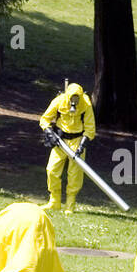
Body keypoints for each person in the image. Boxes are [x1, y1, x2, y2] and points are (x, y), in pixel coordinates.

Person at [38, 81, 96, 214]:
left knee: (75, 174)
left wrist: (82, 145)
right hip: (60, 141)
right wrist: (49, 133)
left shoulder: (86, 104)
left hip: (77, 141)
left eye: (77, 98)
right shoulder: (59, 101)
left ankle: (70, 203)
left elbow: (90, 127)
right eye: (72, 98)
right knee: (52, 169)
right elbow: (44, 119)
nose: (74, 101)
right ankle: (54, 201)